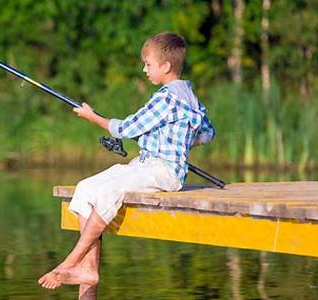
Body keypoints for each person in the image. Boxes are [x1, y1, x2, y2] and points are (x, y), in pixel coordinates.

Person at [38, 31, 215, 299]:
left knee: (109, 192)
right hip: (144, 165)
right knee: (85, 188)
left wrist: (91, 116)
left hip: (162, 171)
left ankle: (70, 262)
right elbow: (207, 133)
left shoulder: (166, 98)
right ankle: (87, 271)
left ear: (165, 67)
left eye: (148, 64)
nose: (145, 69)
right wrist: (178, 141)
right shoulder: (190, 96)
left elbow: (127, 128)